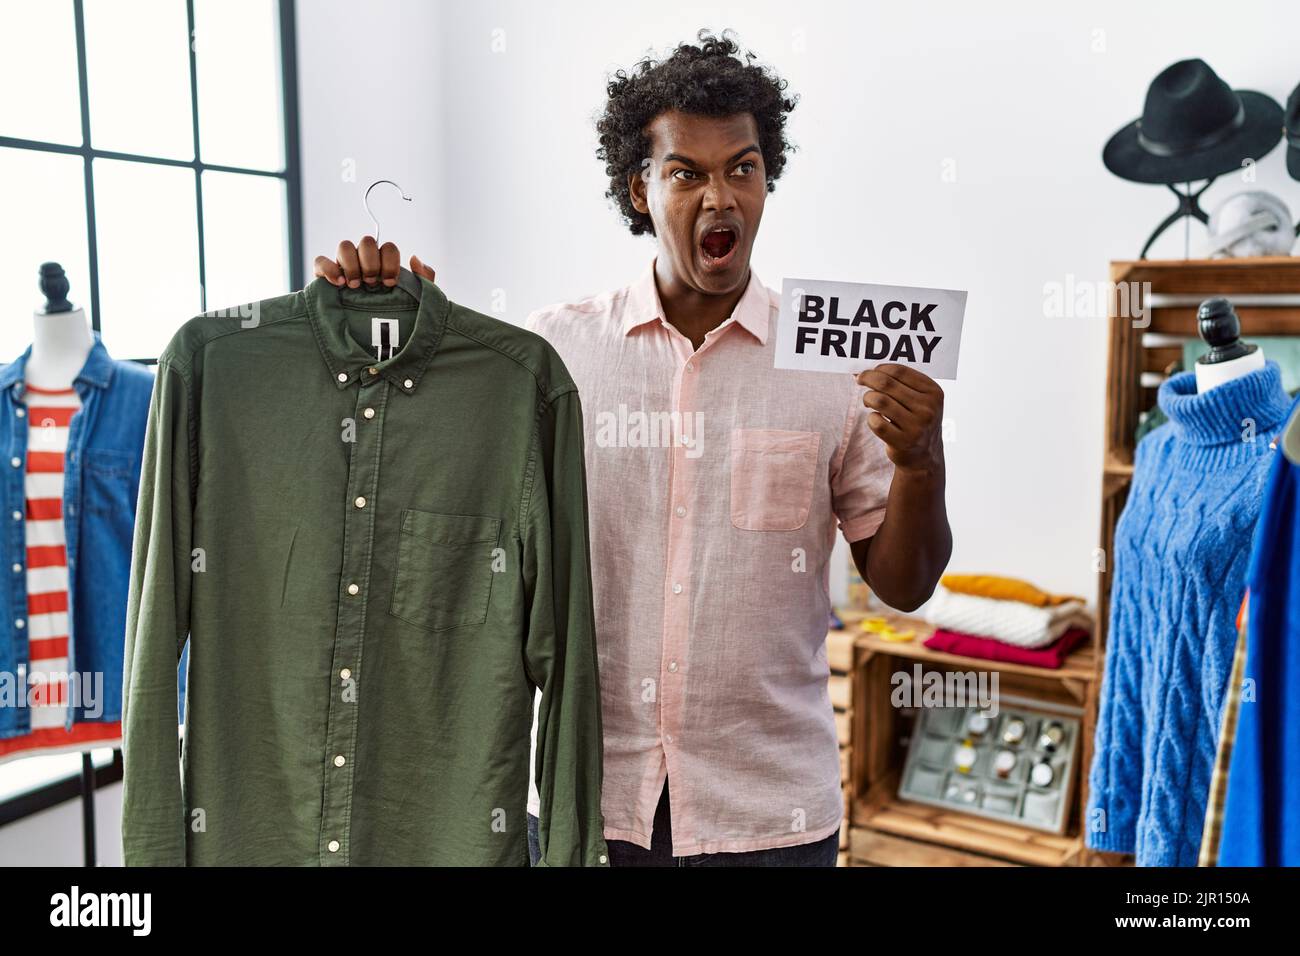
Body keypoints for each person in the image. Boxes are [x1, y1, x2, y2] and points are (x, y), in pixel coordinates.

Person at [315, 29, 951, 867]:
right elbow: (438, 486)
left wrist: (921, 460)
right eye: (686, 171)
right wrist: (395, 324)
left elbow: (902, 584)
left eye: (744, 168)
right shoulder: (552, 354)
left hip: (772, 820)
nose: (720, 197)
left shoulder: (830, 365)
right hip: (586, 803)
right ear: (640, 189)